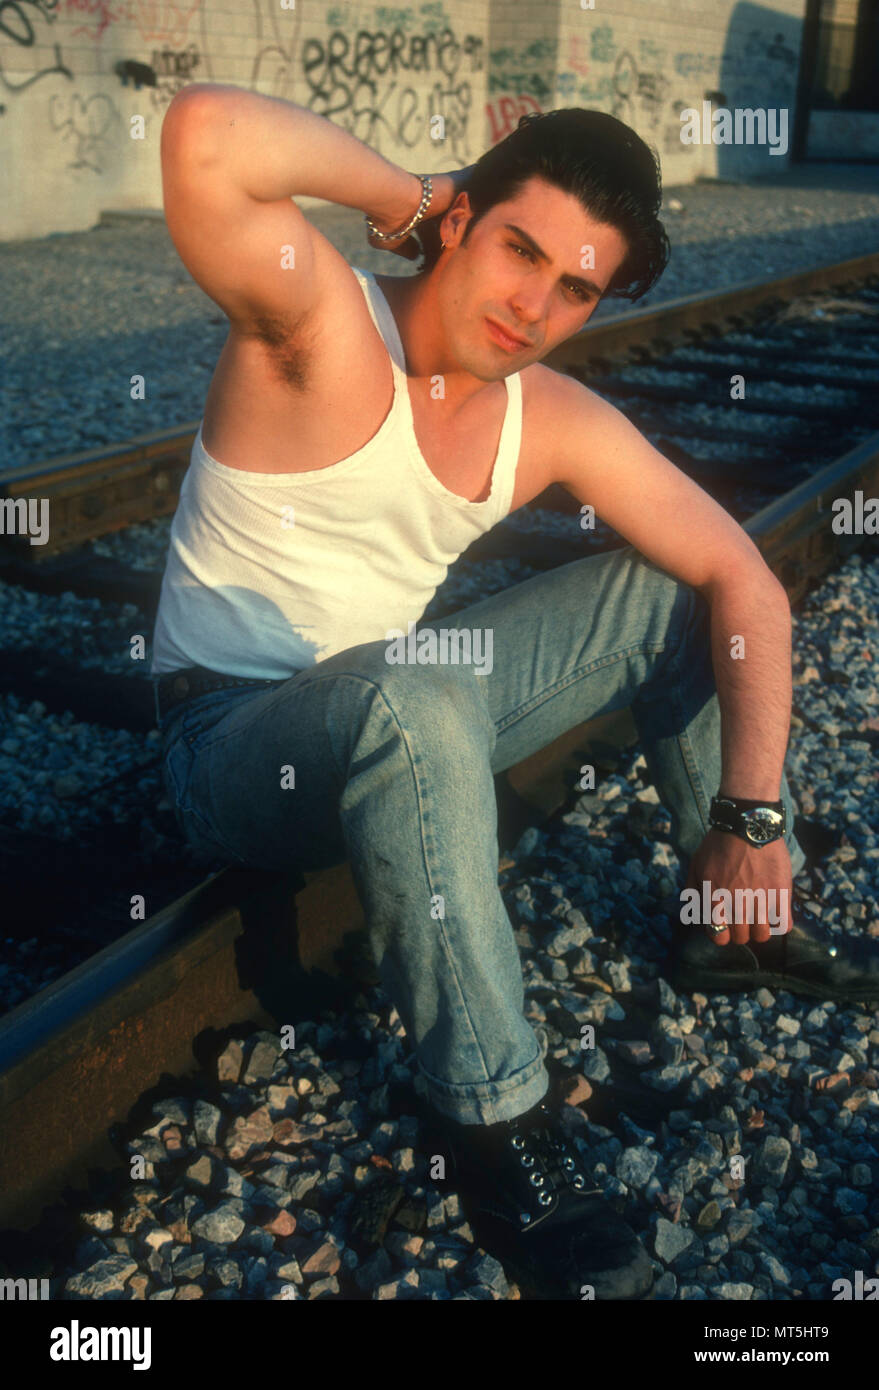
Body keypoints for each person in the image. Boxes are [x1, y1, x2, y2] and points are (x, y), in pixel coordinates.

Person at [150, 88, 878, 1300]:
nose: (532, 305)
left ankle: (735, 924)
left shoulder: (550, 417)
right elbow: (203, 138)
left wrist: (753, 819)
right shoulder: (317, 325)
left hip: (389, 711)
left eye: (575, 287)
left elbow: (743, 578)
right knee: (415, 693)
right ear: (463, 225)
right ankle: (497, 1128)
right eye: (516, 248)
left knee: (668, 592)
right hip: (225, 743)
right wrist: (413, 194)